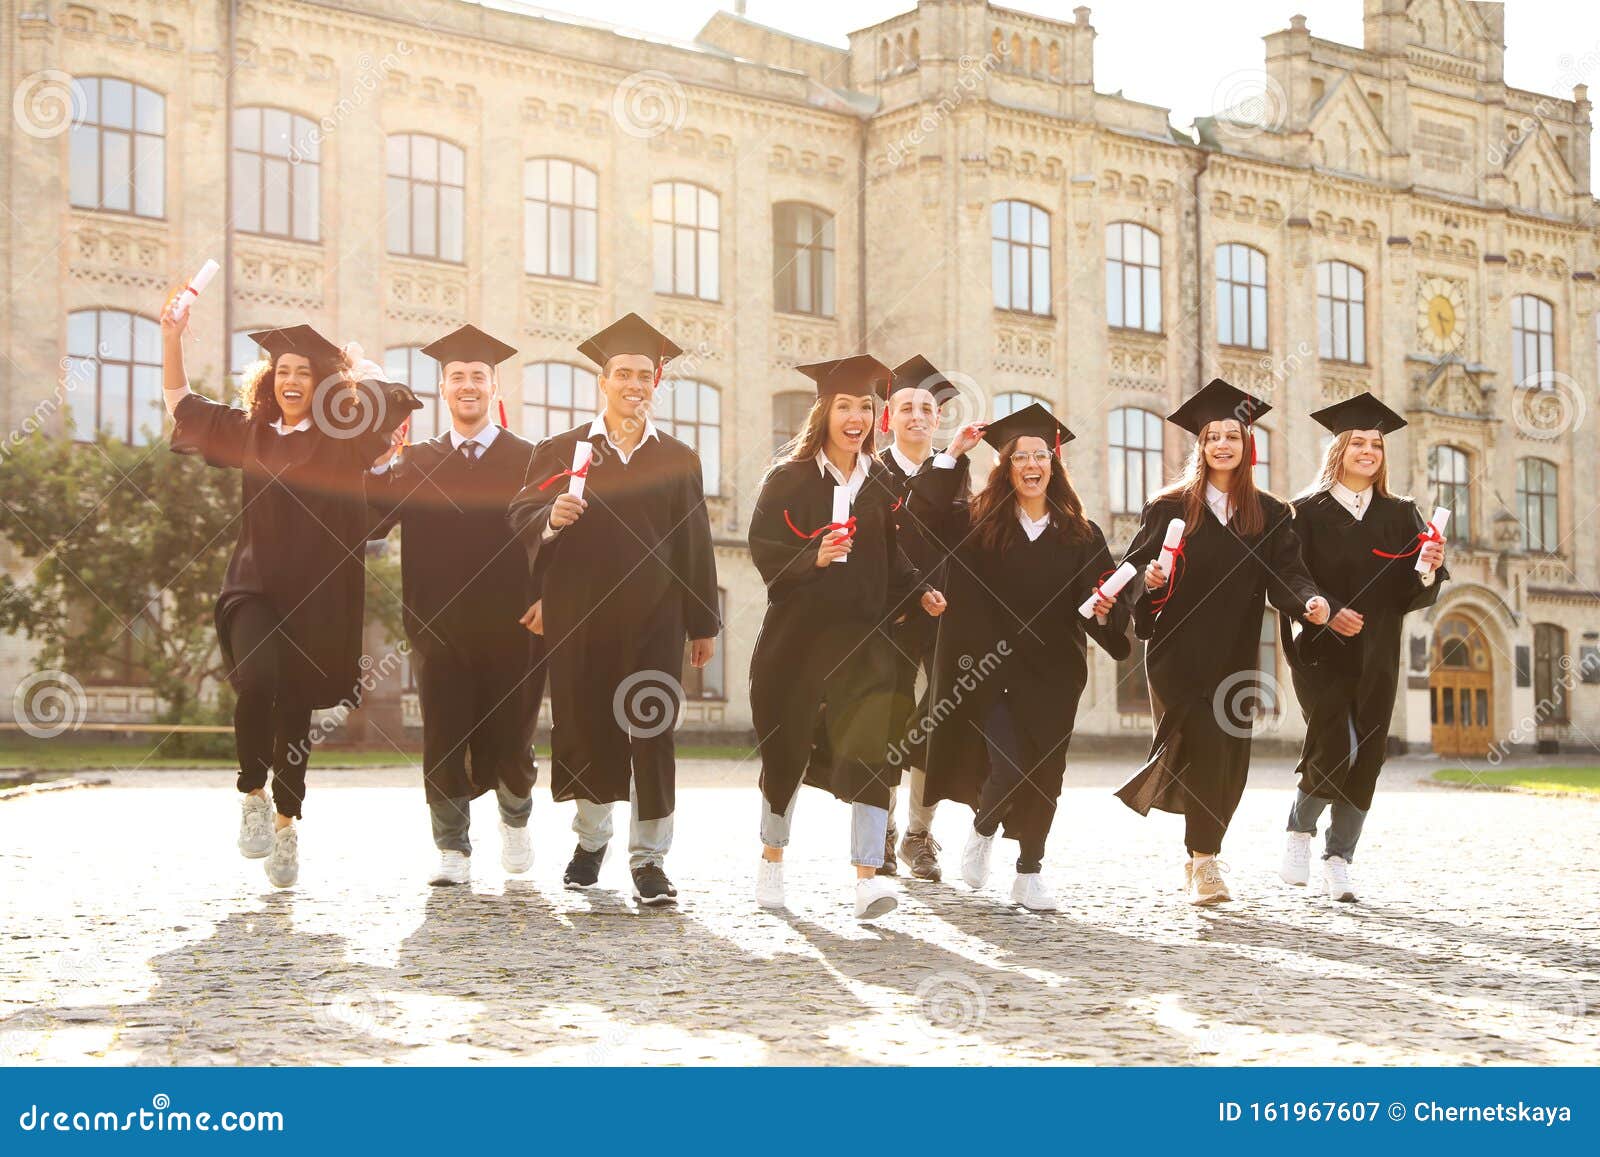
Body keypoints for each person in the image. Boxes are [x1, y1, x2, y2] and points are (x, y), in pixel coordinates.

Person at [161, 304, 418, 889]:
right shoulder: (250, 433)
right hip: (253, 584)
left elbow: (396, 400)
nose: (292, 380)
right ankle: (252, 793)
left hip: (317, 596)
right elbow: (181, 402)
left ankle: (286, 823)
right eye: (282, 371)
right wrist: (171, 336)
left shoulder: (341, 439)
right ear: (269, 381)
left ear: (321, 383)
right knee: (258, 682)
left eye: (304, 371)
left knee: (295, 712)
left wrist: (359, 369)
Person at [507, 314, 719, 908]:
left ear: (655, 384)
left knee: (651, 732)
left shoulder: (678, 458)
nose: (634, 383)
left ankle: (650, 860)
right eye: (622, 373)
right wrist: (551, 519)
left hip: (657, 617)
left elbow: (695, 541)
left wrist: (702, 621)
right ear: (603, 380)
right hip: (581, 616)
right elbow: (517, 517)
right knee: (587, 725)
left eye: (644, 375)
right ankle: (591, 840)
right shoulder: (561, 451)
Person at [1115, 378, 1330, 905]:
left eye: (1232, 435)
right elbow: (1135, 566)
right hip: (1175, 648)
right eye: (1213, 436)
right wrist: (1150, 581)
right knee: (1202, 743)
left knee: (1228, 754)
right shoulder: (1167, 507)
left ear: (1246, 444)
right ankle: (1206, 861)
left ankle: (1199, 856)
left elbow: (1288, 573)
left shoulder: (1272, 514)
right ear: (1201, 445)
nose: (1222, 444)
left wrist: (1309, 602)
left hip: (1235, 651)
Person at [907, 405, 1130, 911]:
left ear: (1054, 465)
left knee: (1046, 773)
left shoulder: (1081, 533)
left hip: (1054, 671)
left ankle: (1029, 873)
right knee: (1010, 766)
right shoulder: (976, 522)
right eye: (1021, 456)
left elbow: (1099, 607)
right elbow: (922, 518)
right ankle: (983, 830)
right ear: (1006, 467)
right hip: (990, 670)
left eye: (1042, 455)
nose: (1032, 463)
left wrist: (1104, 607)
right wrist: (952, 454)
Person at [747, 355, 946, 922]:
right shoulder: (788, 477)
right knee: (785, 753)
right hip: (798, 641)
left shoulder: (879, 481)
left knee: (872, 754)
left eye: (865, 406)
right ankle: (772, 859)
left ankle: (866, 879)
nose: (856, 417)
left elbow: (892, 556)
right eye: (844, 406)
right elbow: (764, 550)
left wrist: (919, 590)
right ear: (824, 411)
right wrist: (814, 556)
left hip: (867, 642)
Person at [368, 324, 544, 888]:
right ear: (443, 389)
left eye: (478, 377)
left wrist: (549, 597)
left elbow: (553, 536)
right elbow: (371, 522)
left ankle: (515, 821)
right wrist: (374, 459)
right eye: (457, 377)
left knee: (511, 736)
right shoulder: (415, 459)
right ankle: (452, 848)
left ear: (494, 387)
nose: (468, 385)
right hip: (437, 624)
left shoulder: (530, 458)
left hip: (516, 623)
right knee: (442, 733)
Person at [1279, 392, 1448, 902]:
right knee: (1335, 742)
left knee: (1368, 752)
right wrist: (1327, 609)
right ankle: (1299, 829)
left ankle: (1338, 858)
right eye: (1358, 443)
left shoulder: (1401, 513)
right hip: (1319, 648)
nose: (1368, 451)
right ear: (1338, 450)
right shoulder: (1304, 512)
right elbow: (1288, 576)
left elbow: (1412, 590)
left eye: (1376, 444)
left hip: (1377, 648)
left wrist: (1429, 565)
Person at [877, 354, 951, 880]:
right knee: (883, 722)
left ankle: (919, 833)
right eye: (906, 407)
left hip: (943, 617)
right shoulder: (868, 473)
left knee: (935, 724)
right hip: (883, 619)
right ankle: (878, 833)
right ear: (888, 418)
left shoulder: (955, 472)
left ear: (938, 419)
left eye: (927, 407)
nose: (917, 416)